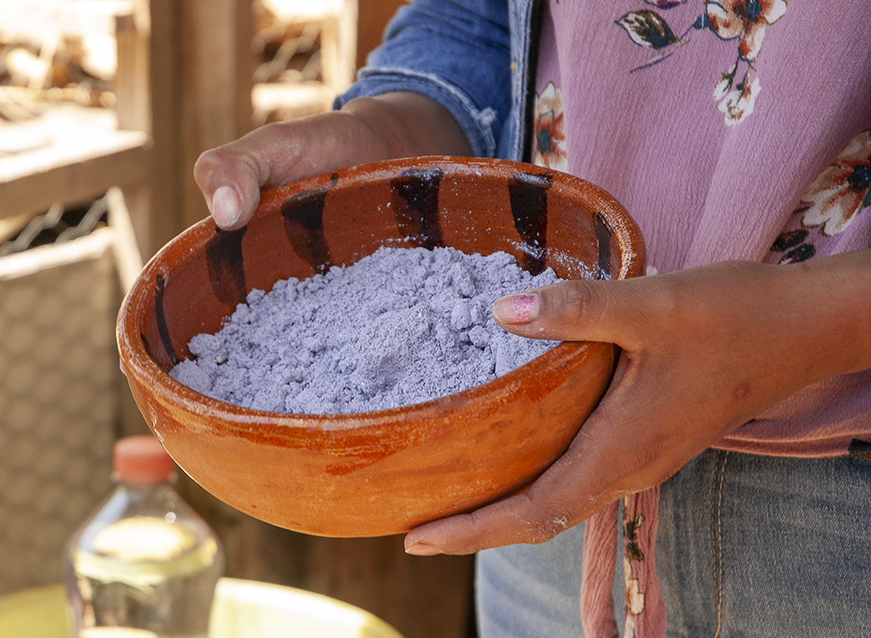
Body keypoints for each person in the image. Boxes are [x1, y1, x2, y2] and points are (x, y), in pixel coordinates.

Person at [194, 1, 871, 635]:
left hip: (837, 512)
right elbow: (478, 18)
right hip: (544, 464)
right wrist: (395, 128)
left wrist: (813, 322)